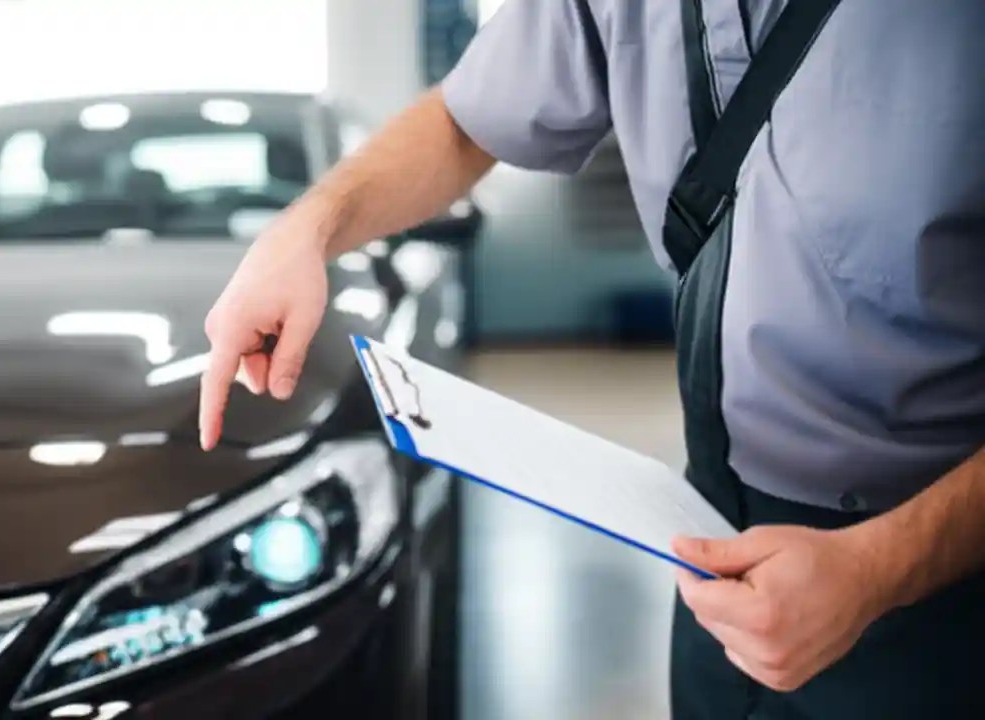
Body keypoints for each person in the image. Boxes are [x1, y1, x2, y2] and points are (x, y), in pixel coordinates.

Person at [198, 1, 985, 717]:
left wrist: (883, 568)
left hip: (935, 566)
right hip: (714, 546)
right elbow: (469, 121)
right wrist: (306, 230)